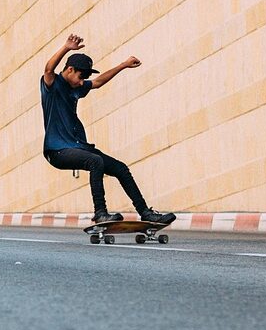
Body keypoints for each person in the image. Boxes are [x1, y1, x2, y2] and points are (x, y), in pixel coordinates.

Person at [40, 33, 176, 224]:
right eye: (81, 77)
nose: (82, 82)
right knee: (95, 161)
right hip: (57, 150)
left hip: (78, 147)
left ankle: (145, 212)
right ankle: (100, 212)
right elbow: (48, 68)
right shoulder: (52, 84)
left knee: (120, 168)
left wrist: (123, 65)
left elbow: (98, 82)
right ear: (70, 69)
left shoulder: (76, 87)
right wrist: (66, 48)